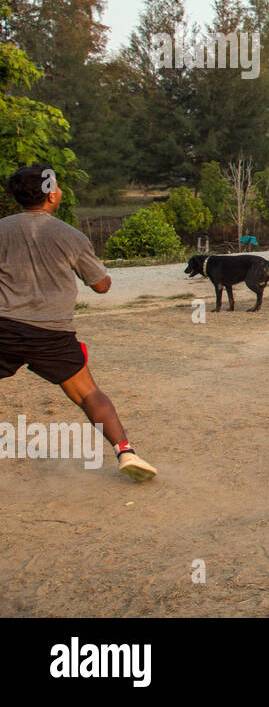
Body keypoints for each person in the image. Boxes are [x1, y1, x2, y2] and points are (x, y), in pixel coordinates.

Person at [0, 165, 156, 481]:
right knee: (87, 393)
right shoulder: (70, 236)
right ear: (51, 194)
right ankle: (126, 452)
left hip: (4, 327)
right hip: (52, 333)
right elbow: (101, 285)